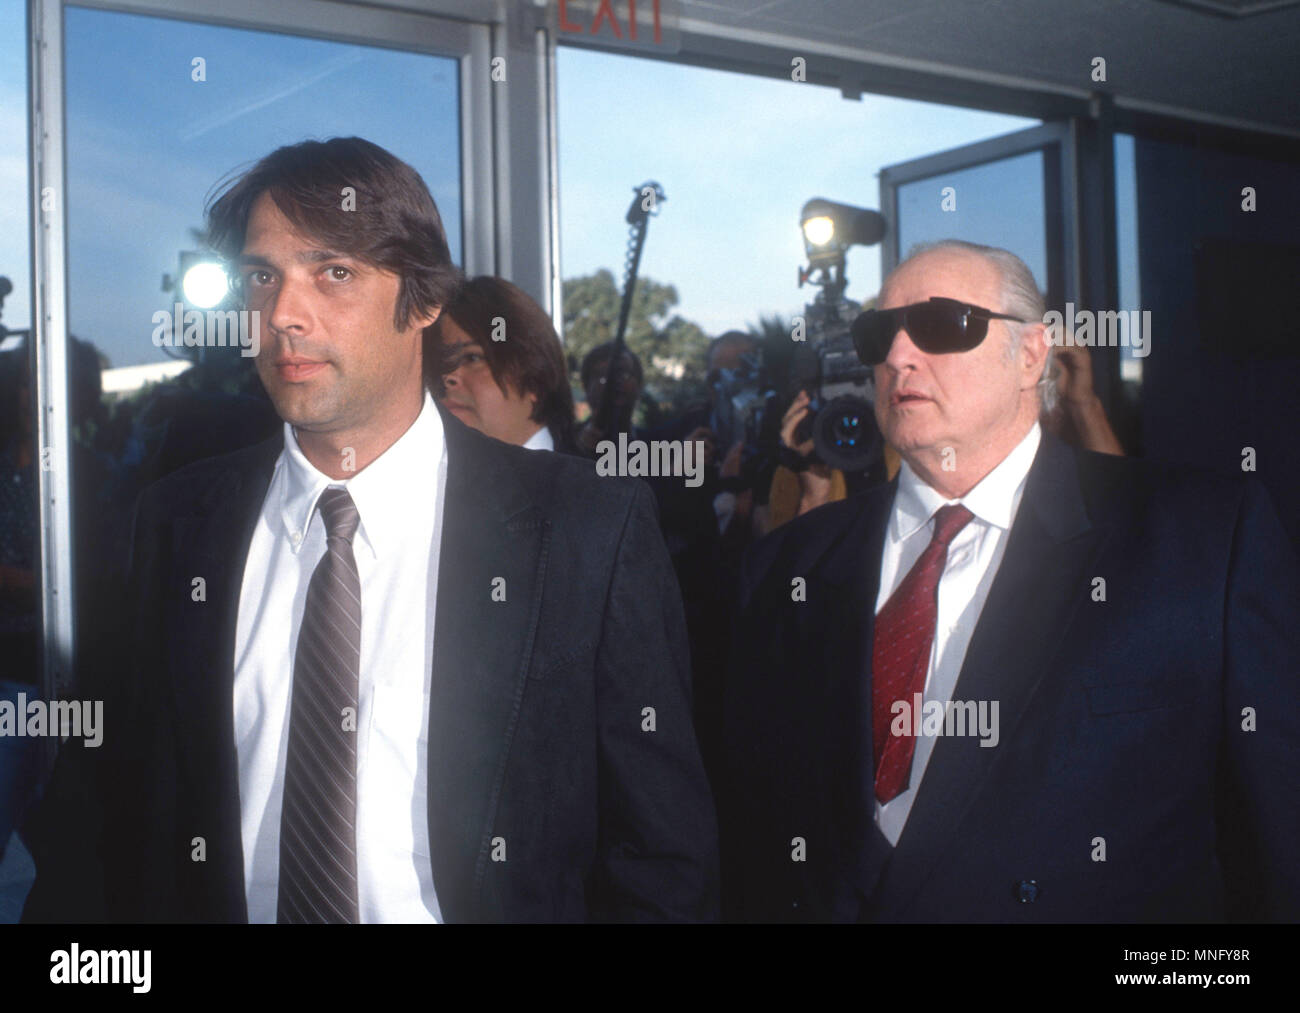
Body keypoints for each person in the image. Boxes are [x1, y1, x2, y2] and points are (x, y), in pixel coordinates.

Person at [22, 137, 718, 924]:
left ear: (422, 302)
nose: (283, 313)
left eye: (334, 273)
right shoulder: (179, 523)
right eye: (262, 277)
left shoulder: (585, 528)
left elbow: (662, 855)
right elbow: (98, 816)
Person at [720, 238, 1299, 922]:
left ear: (1030, 354)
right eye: (880, 333)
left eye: (942, 325)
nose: (899, 355)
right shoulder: (786, 568)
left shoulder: (1201, 540)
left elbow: (1276, 843)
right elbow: (745, 834)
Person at [427, 275, 577, 453]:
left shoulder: (593, 478)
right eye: (439, 362)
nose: (447, 377)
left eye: (473, 358)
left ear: (535, 377)